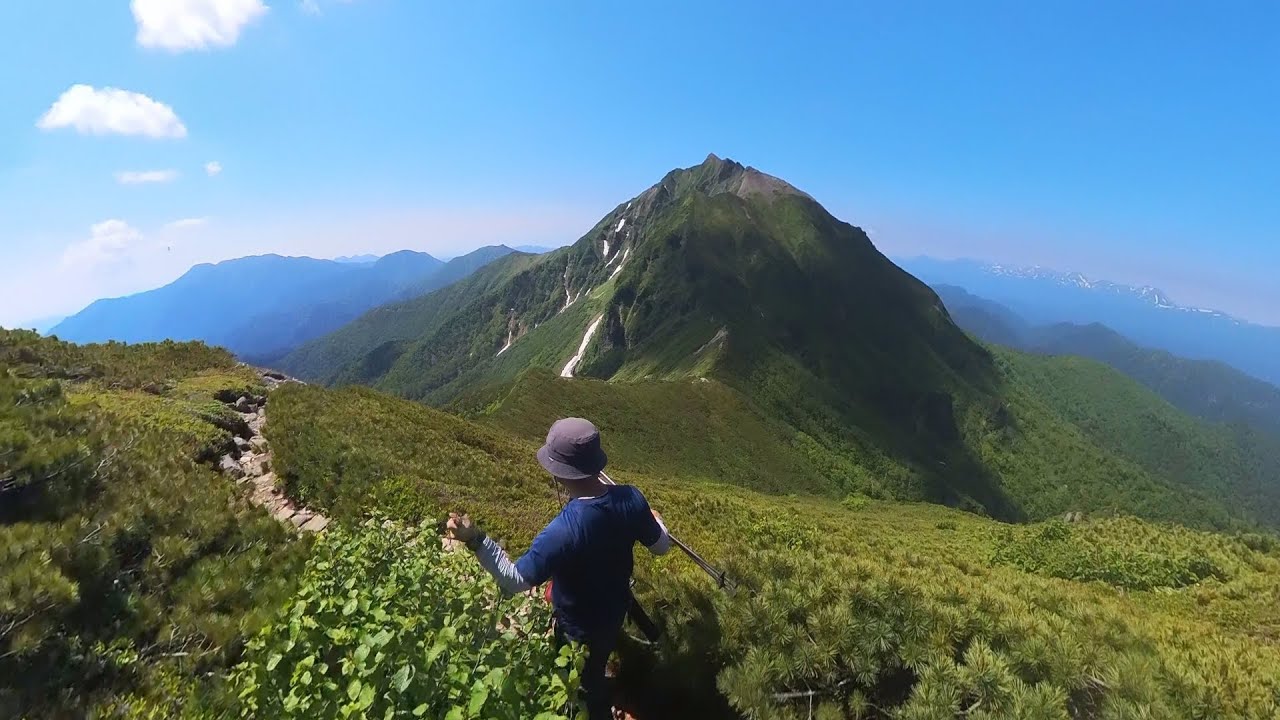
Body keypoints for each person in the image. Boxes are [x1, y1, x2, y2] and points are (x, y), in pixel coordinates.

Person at [445, 417, 670, 720]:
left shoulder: (563, 531)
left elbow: (515, 580)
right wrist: (655, 520)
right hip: (615, 609)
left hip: (578, 627)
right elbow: (661, 546)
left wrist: (475, 539)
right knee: (600, 654)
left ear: (558, 472)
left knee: (582, 686)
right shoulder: (631, 498)